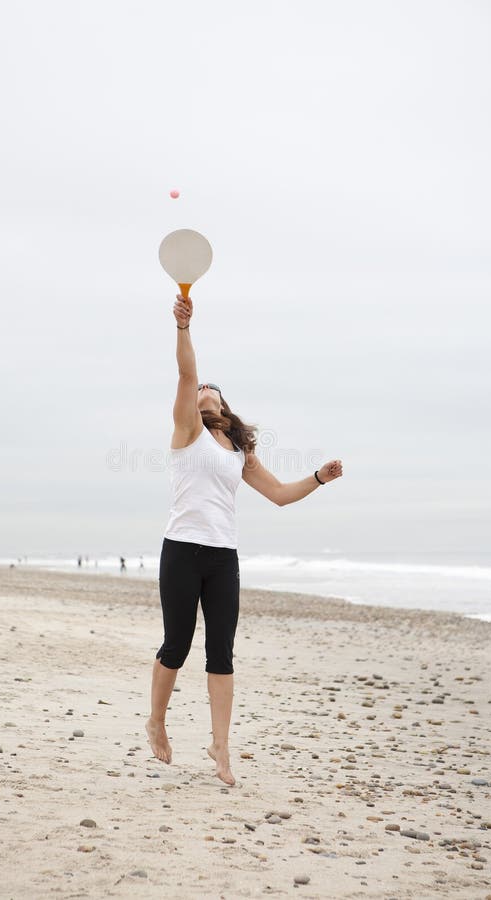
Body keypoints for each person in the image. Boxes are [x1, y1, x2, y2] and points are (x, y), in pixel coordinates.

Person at [146, 294, 343, 786]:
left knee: (222, 651)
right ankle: (157, 720)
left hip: (222, 557)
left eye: (214, 389)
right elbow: (187, 374)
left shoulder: (237, 450)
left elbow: (278, 494)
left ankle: (220, 746)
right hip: (181, 550)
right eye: (200, 389)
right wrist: (184, 327)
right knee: (176, 642)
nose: (204, 389)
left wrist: (317, 478)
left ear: (225, 405)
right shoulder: (187, 429)